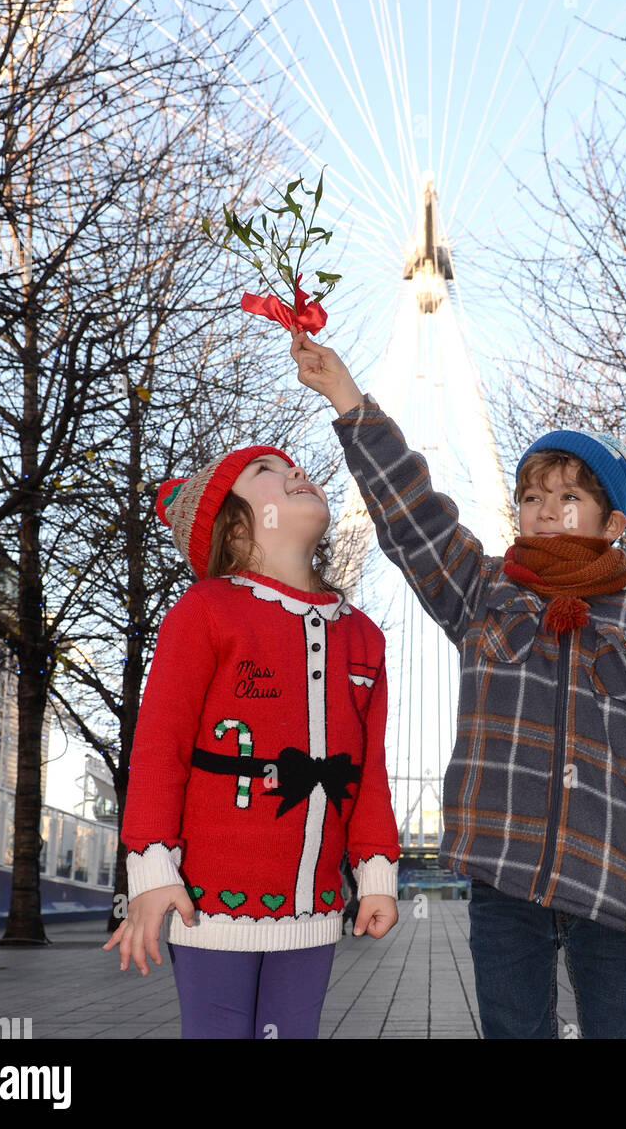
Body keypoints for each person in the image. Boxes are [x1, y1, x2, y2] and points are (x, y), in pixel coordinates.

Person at [289, 327, 626, 1040]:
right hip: (504, 870)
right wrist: (344, 395)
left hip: (617, 874)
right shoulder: (484, 591)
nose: (544, 508)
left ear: (611, 523)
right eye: (530, 495)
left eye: (566, 496)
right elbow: (410, 516)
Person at [103, 440, 400, 1038]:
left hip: (313, 907)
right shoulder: (205, 611)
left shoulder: (363, 636)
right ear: (234, 532)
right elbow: (160, 746)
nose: (294, 469)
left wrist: (375, 878)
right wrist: (153, 869)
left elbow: (367, 773)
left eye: (295, 465)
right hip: (210, 900)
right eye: (265, 470)